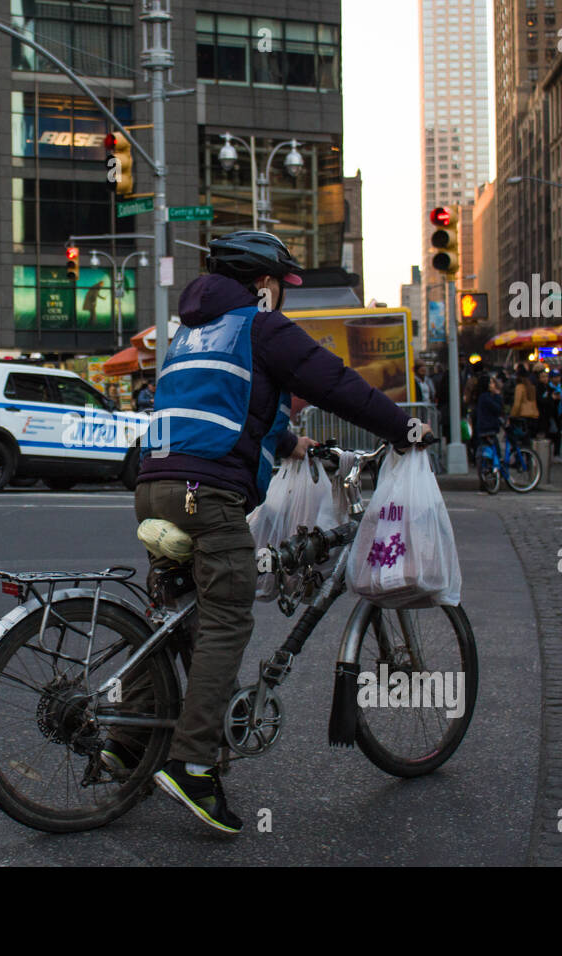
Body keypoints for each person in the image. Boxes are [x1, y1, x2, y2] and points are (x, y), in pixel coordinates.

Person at [126, 230, 418, 834]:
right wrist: (403, 426)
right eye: (282, 285)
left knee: (180, 614)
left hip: (155, 484)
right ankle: (194, 768)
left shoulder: (191, 332)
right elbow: (335, 382)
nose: (282, 297)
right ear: (263, 283)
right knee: (229, 613)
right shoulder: (259, 325)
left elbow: (224, 408)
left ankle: (125, 746)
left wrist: (290, 442)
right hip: (206, 492)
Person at [509, 367, 538, 446]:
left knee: (519, 439)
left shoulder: (520, 387)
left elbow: (517, 404)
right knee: (528, 440)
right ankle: (529, 456)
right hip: (533, 416)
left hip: (523, 416)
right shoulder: (532, 387)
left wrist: (512, 415)